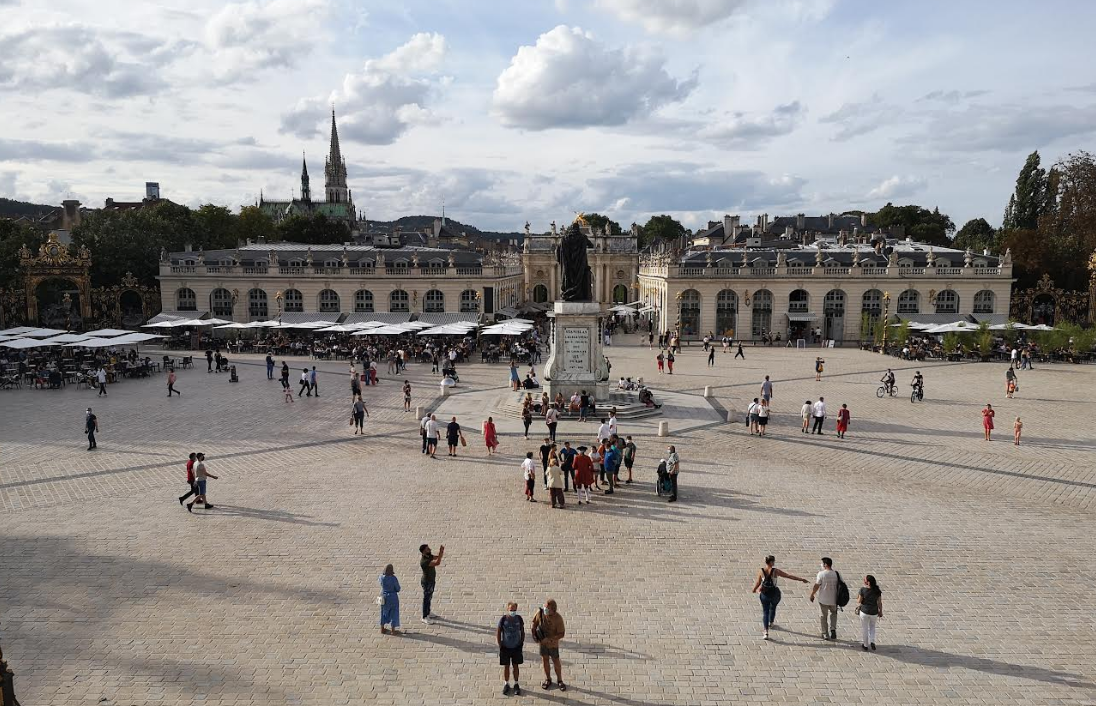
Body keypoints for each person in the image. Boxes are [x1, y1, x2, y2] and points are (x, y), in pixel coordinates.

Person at [751, 555, 809, 640]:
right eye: (773, 561)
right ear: (771, 562)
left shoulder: (761, 571)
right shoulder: (775, 571)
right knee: (773, 607)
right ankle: (771, 622)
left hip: (764, 594)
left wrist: (754, 589)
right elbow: (788, 576)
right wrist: (801, 579)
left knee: (765, 612)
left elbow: (758, 582)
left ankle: (766, 631)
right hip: (774, 593)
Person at [532, 600, 566, 692]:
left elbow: (561, 634)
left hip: (553, 645)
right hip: (543, 643)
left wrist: (551, 639)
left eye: (548, 608)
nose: (545, 609)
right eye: (545, 607)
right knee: (545, 660)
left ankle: (560, 680)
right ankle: (548, 679)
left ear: (553, 610)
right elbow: (534, 624)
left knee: (556, 661)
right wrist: (534, 636)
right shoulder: (540, 613)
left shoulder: (558, 618)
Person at [497, 602, 525, 695]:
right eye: (511, 610)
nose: (512, 611)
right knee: (506, 666)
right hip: (506, 647)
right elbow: (499, 631)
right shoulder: (503, 619)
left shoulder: (519, 619)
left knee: (516, 666)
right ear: (507, 609)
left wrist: (521, 643)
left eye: (514, 610)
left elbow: (522, 631)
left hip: (516, 647)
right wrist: (500, 644)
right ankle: (506, 683)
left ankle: (516, 683)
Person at [809, 557, 840, 640]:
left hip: (823, 599)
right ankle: (833, 628)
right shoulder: (836, 574)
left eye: (822, 563)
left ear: (825, 565)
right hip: (834, 599)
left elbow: (816, 585)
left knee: (823, 616)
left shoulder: (821, 574)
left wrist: (812, 594)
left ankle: (825, 633)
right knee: (834, 613)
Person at [419, 543, 444, 624]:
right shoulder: (424, 561)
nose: (429, 549)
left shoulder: (429, 556)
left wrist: (441, 553)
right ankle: (424, 616)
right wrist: (440, 552)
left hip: (431, 580)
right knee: (426, 598)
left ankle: (428, 612)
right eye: (427, 549)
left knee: (429, 597)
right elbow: (437, 563)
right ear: (423, 552)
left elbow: (436, 557)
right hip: (427, 582)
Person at [857, 575, 883, 651]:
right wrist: (880, 611)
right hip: (874, 612)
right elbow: (879, 603)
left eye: (864, 580)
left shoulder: (863, 590)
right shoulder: (877, 591)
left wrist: (858, 596)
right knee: (872, 627)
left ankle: (865, 645)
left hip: (864, 611)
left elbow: (859, 601)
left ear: (868, 582)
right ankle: (872, 641)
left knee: (865, 628)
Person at [379, 564, 401, 635]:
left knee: (383, 612)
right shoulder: (393, 578)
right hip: (393, 597)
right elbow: (398, 588)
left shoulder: (382, 577)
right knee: (394, 613)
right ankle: (393, 630)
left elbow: (380, 583)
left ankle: (382, 628)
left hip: (384, 597)